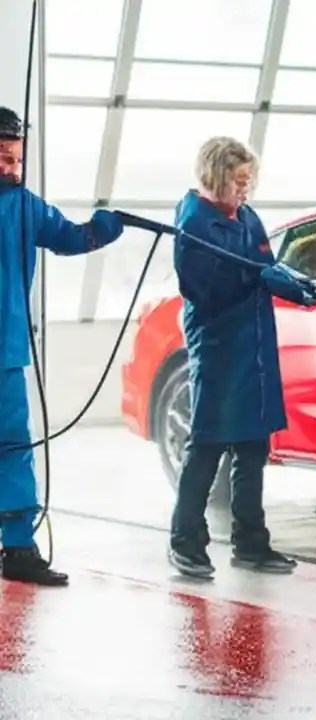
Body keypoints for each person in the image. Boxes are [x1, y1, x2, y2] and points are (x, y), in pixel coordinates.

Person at [168, 136, 316, 578]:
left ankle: (251, 544)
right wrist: (258, 277)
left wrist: (288, 281)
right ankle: (185, 542)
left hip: (254, 344)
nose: (244, 190)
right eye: (238, 181)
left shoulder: (247, 216)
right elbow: (204, 290)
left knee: (253, 446)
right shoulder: (195, 225)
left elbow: (263, 260)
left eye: (248, 181)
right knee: (208, 444)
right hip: (218, 346)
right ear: (217, 177)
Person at [0, 106, 126, 586]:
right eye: (1, 158)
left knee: (13, 445)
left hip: (7, 353)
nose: (11, 168)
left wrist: (104, 227)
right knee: (11, 446)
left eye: (16, 159)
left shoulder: (27, 206)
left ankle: (17, 548)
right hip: (7, 349)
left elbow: (74, 239)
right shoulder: (24, 206)